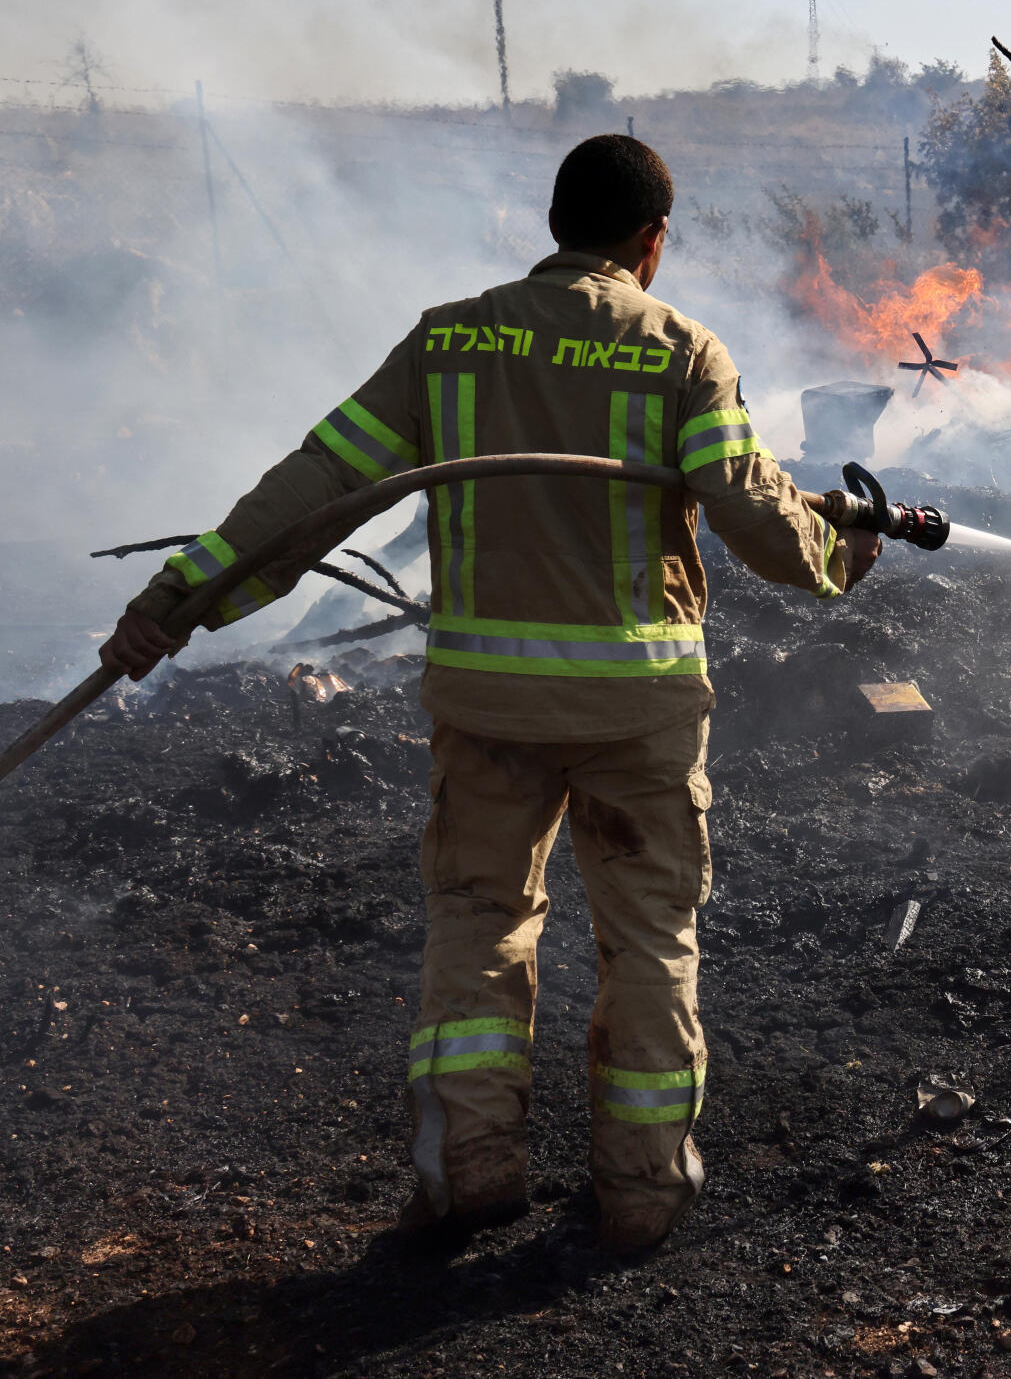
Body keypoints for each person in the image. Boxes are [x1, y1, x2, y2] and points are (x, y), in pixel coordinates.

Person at [100, 135, 879, 1253]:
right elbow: (756, 516)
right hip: (636, 713)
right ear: (652, 241)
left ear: (556, 224)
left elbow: (316, 487)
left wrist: (180, 601)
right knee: (651, 939)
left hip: (487, 709)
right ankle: (643, 1190)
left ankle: (468, 1173)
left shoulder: (450, 341)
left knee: (477, 925)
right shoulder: (683, 350)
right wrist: (838, 552)